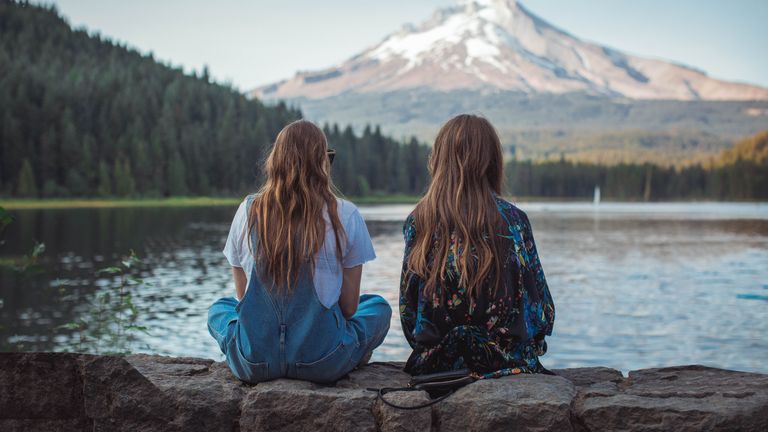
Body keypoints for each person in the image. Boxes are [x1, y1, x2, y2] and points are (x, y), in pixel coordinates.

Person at [207, 120, 391, 384]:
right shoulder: (346, 214)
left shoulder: (248, 211)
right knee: (377, 307)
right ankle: (353, 351)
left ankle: (242, 350)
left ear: (276, 161)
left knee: (220, 308)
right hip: (322, 362)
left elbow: (242, 298)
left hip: (255, 362)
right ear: (322, 163)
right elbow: (349, 308)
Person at [399, 114, 555, 377]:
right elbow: (542, 312)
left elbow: (408, 312)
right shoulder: (515, 221)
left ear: (439, 159)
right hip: (507, 362)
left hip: (436, 365)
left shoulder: (418, 221)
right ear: (492, 161)